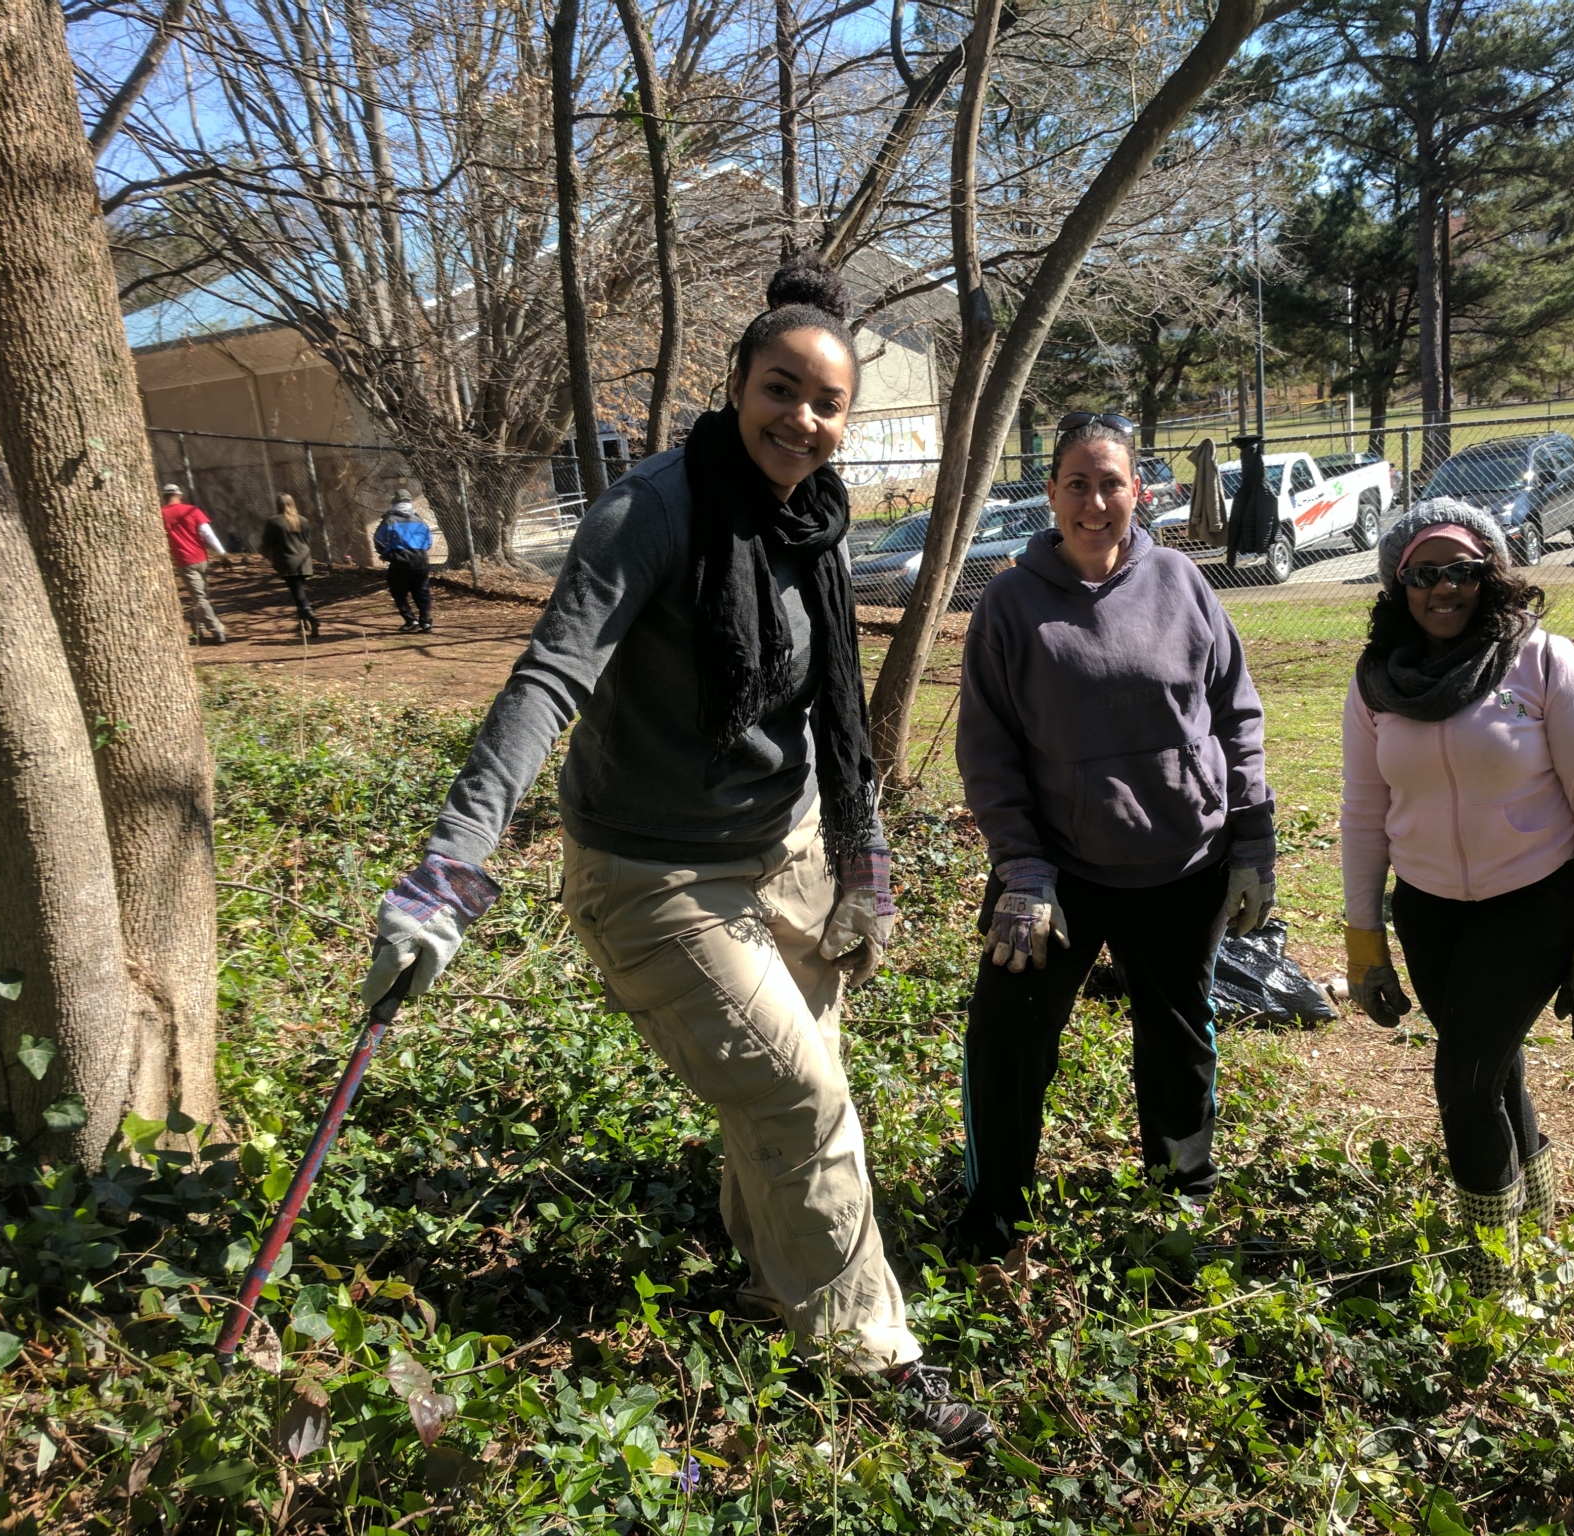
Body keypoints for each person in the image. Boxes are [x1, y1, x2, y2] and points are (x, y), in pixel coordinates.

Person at [357, 256, 993, 1451]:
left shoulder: (809, 515)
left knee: (785, 1101)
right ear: (736, 385)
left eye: (826, 403)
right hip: (655, 874)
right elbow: (550, 676)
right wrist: (450, 866)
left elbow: (829, 702)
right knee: (803, 1102)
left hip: (789, 845)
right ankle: (873, 1359)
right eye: (779, 390)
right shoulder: (652, 510)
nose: (800, 420)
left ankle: (772, 1286)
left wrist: (860, 860)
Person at [953, 411, 1276, 1260]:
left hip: (1183, 866)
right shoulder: (1010, 604)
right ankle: (995, 1210)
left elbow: (1236, 715)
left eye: (1111, 483)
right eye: (1076, 484)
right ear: (1051, 493)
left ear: (1139, 490)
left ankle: (1183, 1194)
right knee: (1006, 1038)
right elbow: (988, 752)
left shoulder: (1182, 584)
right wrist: (1022, 870)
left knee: (1177, 1037)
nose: (1095, 502)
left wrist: (1253, 843)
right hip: (1054, 876)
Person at [1338, 501, 1574, 1291]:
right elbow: (1364, 814)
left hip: (1532, 904)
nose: (1445, 588)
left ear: (1489, 576)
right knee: (1495, 1067)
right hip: (1429, 911)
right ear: (1399, 584)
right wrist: (1363, 938)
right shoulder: (1375, 684)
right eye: (1424, 573)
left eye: (1462, 571)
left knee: (1462, 1079)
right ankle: (1534, 1217)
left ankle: (1490, 1277)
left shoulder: (1543, 662)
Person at [160, 483, 229, 644]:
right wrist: (222, 554)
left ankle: (214, 630)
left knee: (199, 598)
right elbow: (208, 533)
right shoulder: (192, 510)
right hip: (201, 558)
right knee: (201, 596)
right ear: (180, 495)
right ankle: (208, 629)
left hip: (184, 561)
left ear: (164, 497)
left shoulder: (160, 514)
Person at [260, 493, 321, 638]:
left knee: (298, 592)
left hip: (288, 560)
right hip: (304, 560)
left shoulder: (274, 521)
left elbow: (266, 543)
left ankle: (311, 617)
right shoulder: (303, 520)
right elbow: (307, 540)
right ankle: (302, 622)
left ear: (277, 505)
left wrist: (267, 555)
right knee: (297, 591)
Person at [374, 494, 434, 633]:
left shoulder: (389, 520)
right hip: (421, 560)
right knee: (422, 591)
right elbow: (429, 542)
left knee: (398, 591)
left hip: (400, 560)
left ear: (394, 503)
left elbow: (378, 539)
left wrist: (385, 553)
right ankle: (425, 622)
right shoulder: (420, 521)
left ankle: (410, 620)